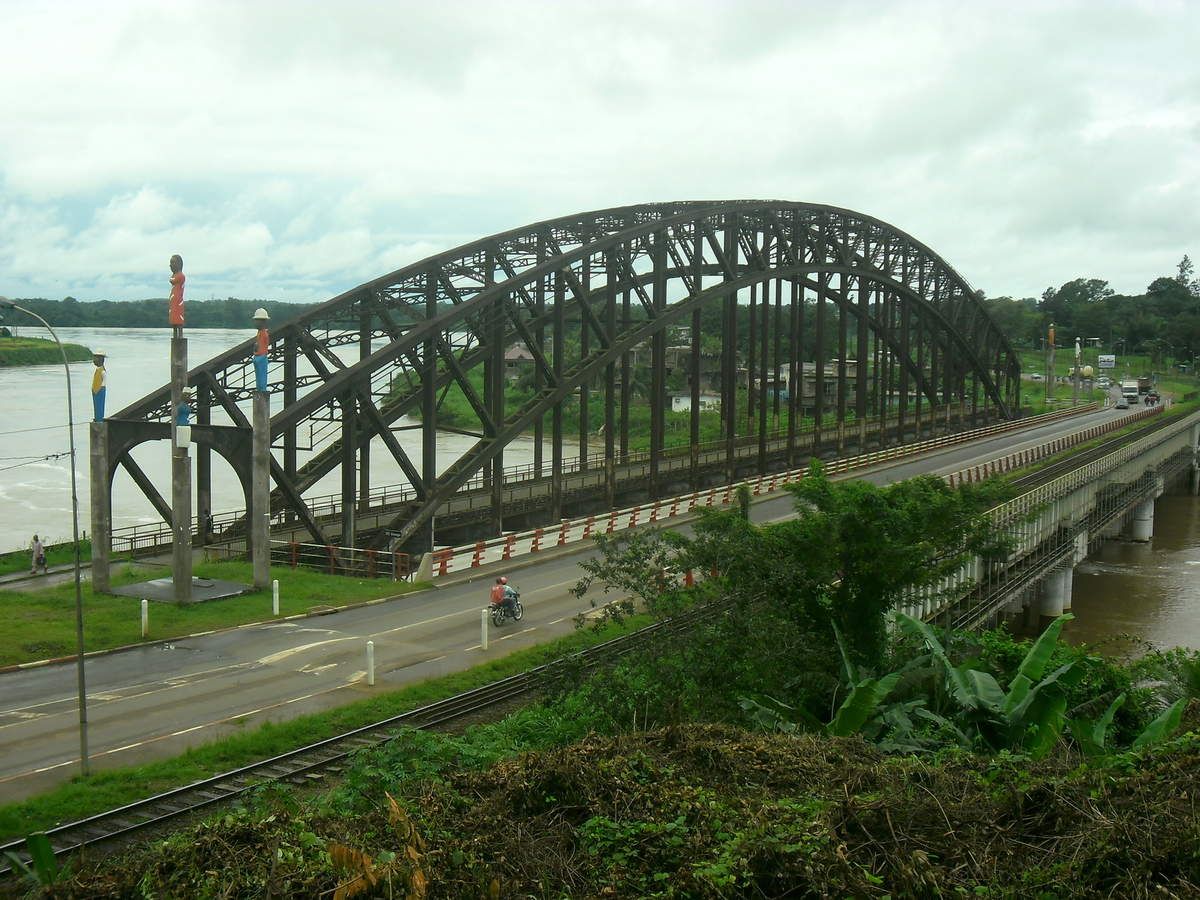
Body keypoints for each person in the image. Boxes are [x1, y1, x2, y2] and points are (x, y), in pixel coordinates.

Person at [168, 254, 185, 329]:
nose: (171, 265)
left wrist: (172, 277)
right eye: (170, 263)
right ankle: (175, 336)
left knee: (178, 318)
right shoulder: (176, 275)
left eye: (173, 262)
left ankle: (180, 336)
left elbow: (172, 280)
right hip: (173, 302)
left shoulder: (181, 275)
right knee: (174, 318)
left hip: (178, 301)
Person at [91, 350, 107, 421]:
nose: (94, 360)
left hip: (100, 390)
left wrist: (101, 388)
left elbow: (104, 381)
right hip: (95, 391)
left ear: (101, 359)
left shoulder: (102, 370)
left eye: (96, 358)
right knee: (96, 405)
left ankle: (99, 419)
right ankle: (97, 418)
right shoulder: (98, 370)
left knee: (99, 405)